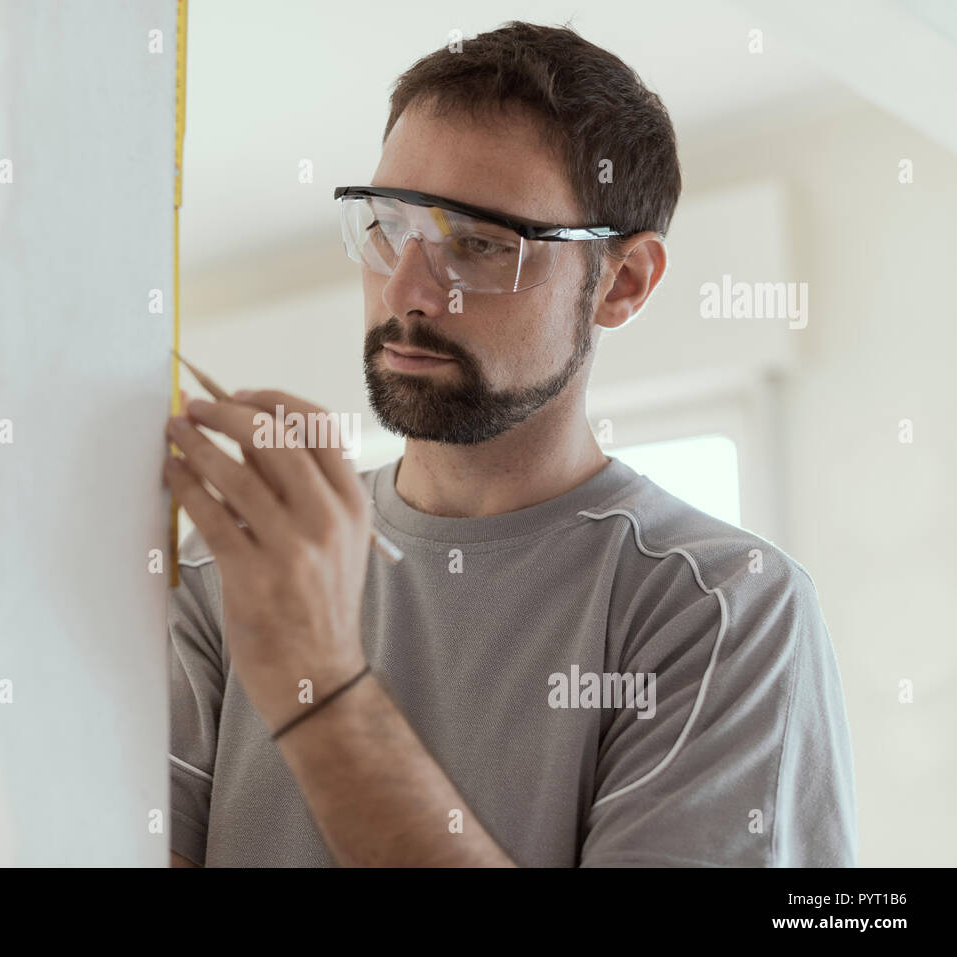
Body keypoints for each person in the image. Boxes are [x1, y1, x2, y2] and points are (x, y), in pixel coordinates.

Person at [164, 21, 856, 867]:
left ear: (622, 282)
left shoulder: (724, 611)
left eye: (482, 244)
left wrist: (320, 685)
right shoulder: (232, 569)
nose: (409, 289)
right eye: (386, 223)